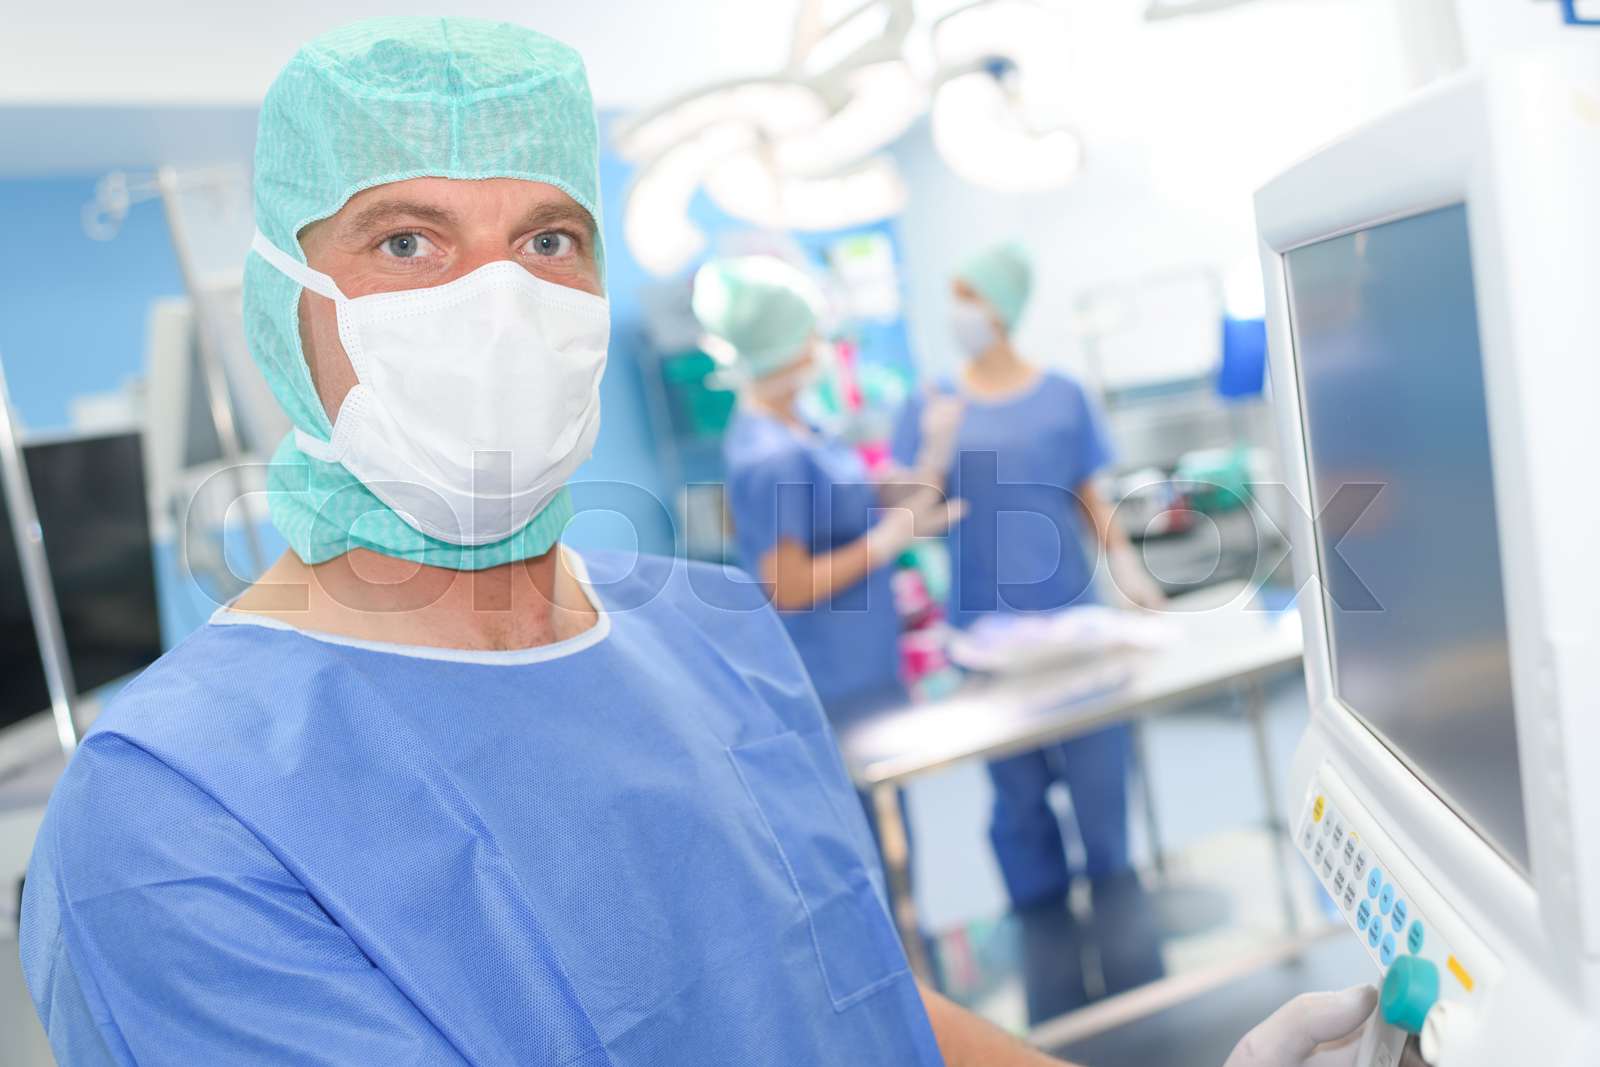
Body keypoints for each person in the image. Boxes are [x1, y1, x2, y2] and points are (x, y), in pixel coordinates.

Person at [18, 19, 1374, 1067]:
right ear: (286, 308)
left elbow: (863, 1011)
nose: (499, 302)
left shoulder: (704, 628)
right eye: (409, 240)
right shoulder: (173, 822)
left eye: (550, 236)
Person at [893, 241, 1165, 911]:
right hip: (984, 635)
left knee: (1102, 793)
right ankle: (1046, 941)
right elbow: (913, 518)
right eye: (956, 297)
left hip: (1075, 621)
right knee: (1017, 802)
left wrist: (1130, 573)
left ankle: (1121, 934)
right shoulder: (933, 402)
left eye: (971, 297)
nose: (960, 312)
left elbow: (1090, 499)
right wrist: (932, 449)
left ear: (1004, 308)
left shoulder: (1064, 394)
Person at [698, 255, 963, 725]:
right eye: (810, 334)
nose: (820, 346)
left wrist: (932, 459)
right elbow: (788, 585)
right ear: (780, 347)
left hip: (870, 657)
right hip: (831, 676)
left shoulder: (807, 424)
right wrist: (886, 542)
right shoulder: (769, 455)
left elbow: (850, 496)